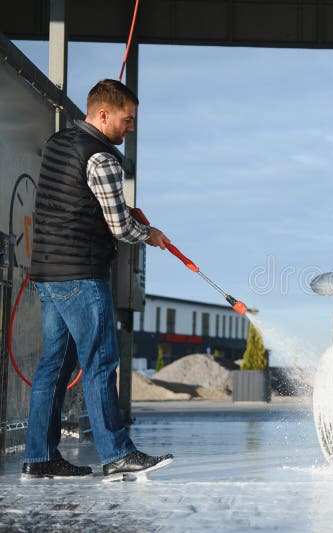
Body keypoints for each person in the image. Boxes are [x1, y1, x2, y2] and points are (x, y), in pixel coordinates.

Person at [22, 79, 173, 480]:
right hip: (81, 275)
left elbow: (78, 200)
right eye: (128, 119)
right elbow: (121, 226)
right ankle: (117, 453)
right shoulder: (102, 158)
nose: (131, 127)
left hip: (48, 273)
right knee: (101, 361)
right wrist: (151, 235)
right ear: (104, 114)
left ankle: (39, 457)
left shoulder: (59, 143)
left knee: (54, 366)